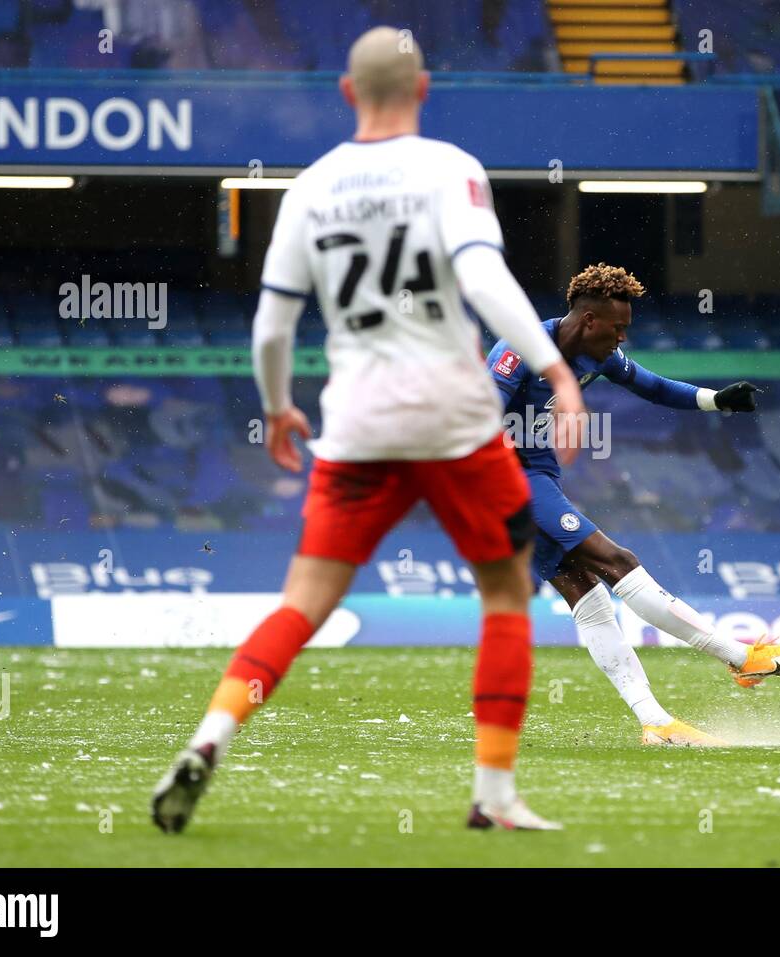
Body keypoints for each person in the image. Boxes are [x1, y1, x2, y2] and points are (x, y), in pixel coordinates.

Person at [152, 26, 587, 834]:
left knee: (303, 603)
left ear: (348, 94)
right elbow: (484, 277)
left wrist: (279, 403)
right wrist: (555, 370)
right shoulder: (451, 168)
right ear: (422, 90)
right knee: (503, 590)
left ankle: (209, 736)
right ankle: (493, 795)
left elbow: (272, 327)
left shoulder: (311, 187)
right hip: (457, 423)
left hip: (356, 424)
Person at [487, 264, 780, 747]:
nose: (622, 339)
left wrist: (715, 400)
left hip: (535, 475)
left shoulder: (596, 354)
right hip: (506, 479)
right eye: (617, 329)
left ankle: (655, 723)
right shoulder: (519, 348)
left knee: (590, 597)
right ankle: (743, 658)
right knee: (616, 561)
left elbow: (652, 385)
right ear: (590, 321)